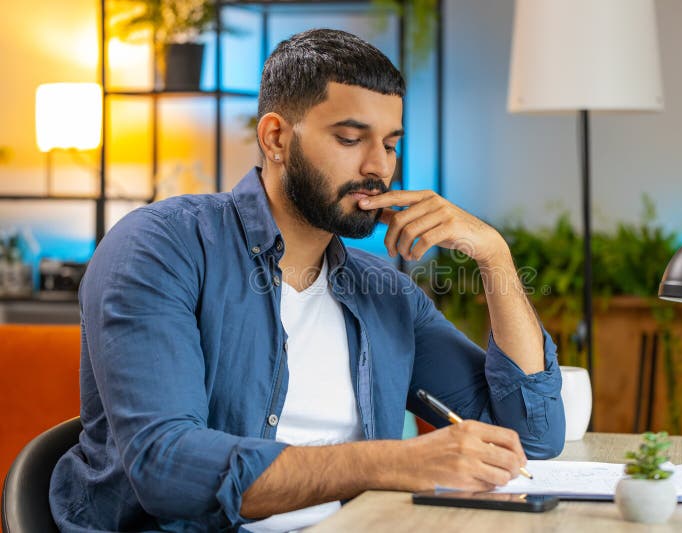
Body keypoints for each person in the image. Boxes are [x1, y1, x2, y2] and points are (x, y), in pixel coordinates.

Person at [49, 29, 565, 532]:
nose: (377, 167)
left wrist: (493, 255)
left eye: (390, 144)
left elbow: (531, 438)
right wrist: (393, 463)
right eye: (349, 138)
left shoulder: (384, 295)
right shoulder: (161, 247)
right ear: (276, 137)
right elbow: (167, 467)